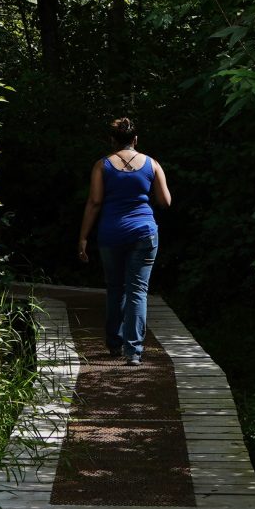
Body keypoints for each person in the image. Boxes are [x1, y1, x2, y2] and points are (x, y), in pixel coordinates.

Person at [78, 115, 172, 364]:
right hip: (144, 233)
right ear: (136, 139)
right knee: (137, 291)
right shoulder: (152, 164)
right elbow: (165, 202)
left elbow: (95, 202)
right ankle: (134, 352)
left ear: (112, 140)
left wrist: (83, 237)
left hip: (111, 234)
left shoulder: (102, 165)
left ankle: (114, 344)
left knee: (115, 289)